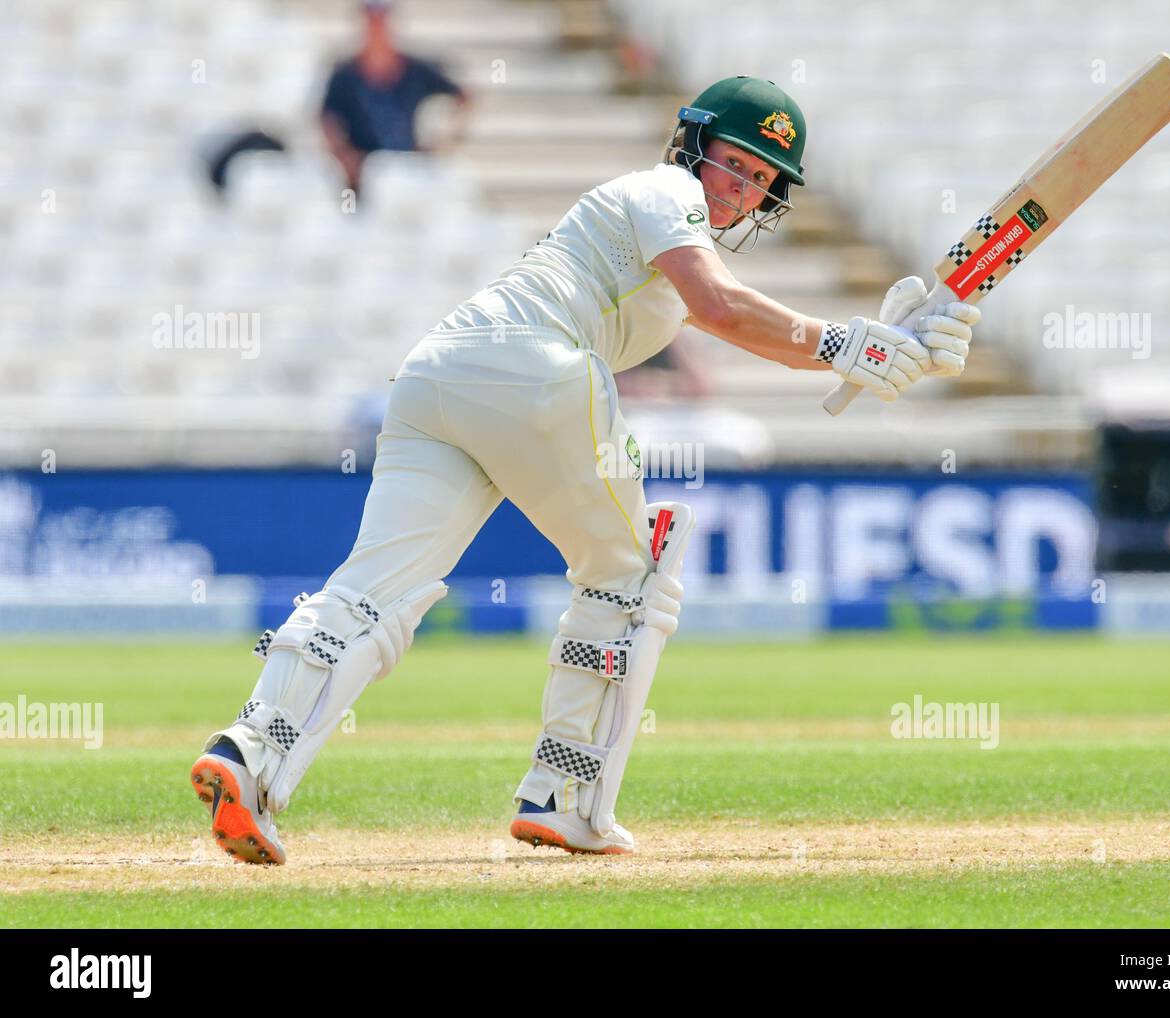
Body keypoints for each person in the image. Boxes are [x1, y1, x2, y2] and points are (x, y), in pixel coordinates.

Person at [188, 75, 980, 863]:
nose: (744, 190)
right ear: (694, 145)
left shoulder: (658, 221)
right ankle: (565, 799)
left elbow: (739, 314)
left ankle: (249, 754)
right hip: (534, 370)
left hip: (438, 377)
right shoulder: (669, 189)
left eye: (764, 181)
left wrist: (875, 345)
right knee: (632, 578)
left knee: (374, 592)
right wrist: (849, 344)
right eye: (736, 165)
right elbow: (723, 308)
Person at [320, 0, 472, 196]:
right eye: (372, 21)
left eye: (381, 20)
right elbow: (326, 117)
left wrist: (447, 139)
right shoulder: (344, 74)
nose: (377, 28)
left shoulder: (416, 69)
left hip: (409, 169)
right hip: (363, 179)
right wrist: (345, 157)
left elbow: (465, 96)